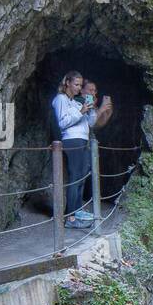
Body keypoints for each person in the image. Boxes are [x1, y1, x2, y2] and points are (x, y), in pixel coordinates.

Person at [51, 71, 96, 228]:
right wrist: (80, 111)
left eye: (80, 85)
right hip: (71, 140)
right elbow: (62, 123)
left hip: (83, 139)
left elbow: (90, 123)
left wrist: (91, 110)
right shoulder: (60, 99)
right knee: (75, 176)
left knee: (81, 176)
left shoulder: (77, 103)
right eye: (76, 84)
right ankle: (70, 218)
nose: (79, 88)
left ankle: (77, 211)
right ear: (67, 83)